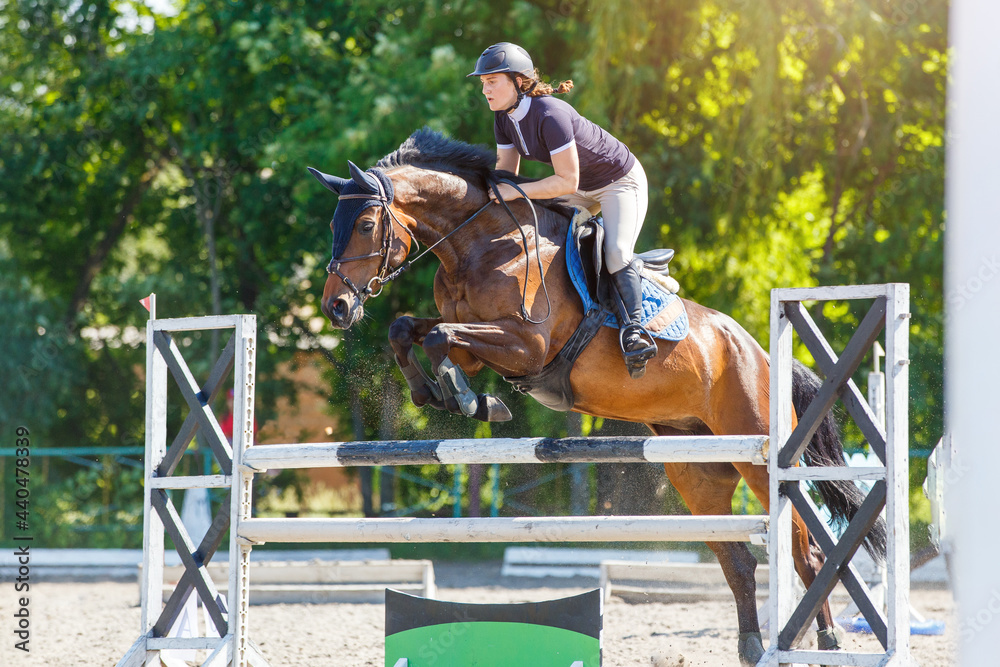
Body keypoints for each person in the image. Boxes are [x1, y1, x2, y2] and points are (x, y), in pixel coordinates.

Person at [468, 42, 657, 376]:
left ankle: (636, 330)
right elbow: (505, 179)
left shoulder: (550, 115)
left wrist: (511, 193)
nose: (485, 90)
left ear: (518, 82)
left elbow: (566, 182)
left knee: (615, 251)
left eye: (492, 81)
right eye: (483, 83)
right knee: (543, 234)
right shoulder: (504, 120)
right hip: (581, 186)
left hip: (619, 181)